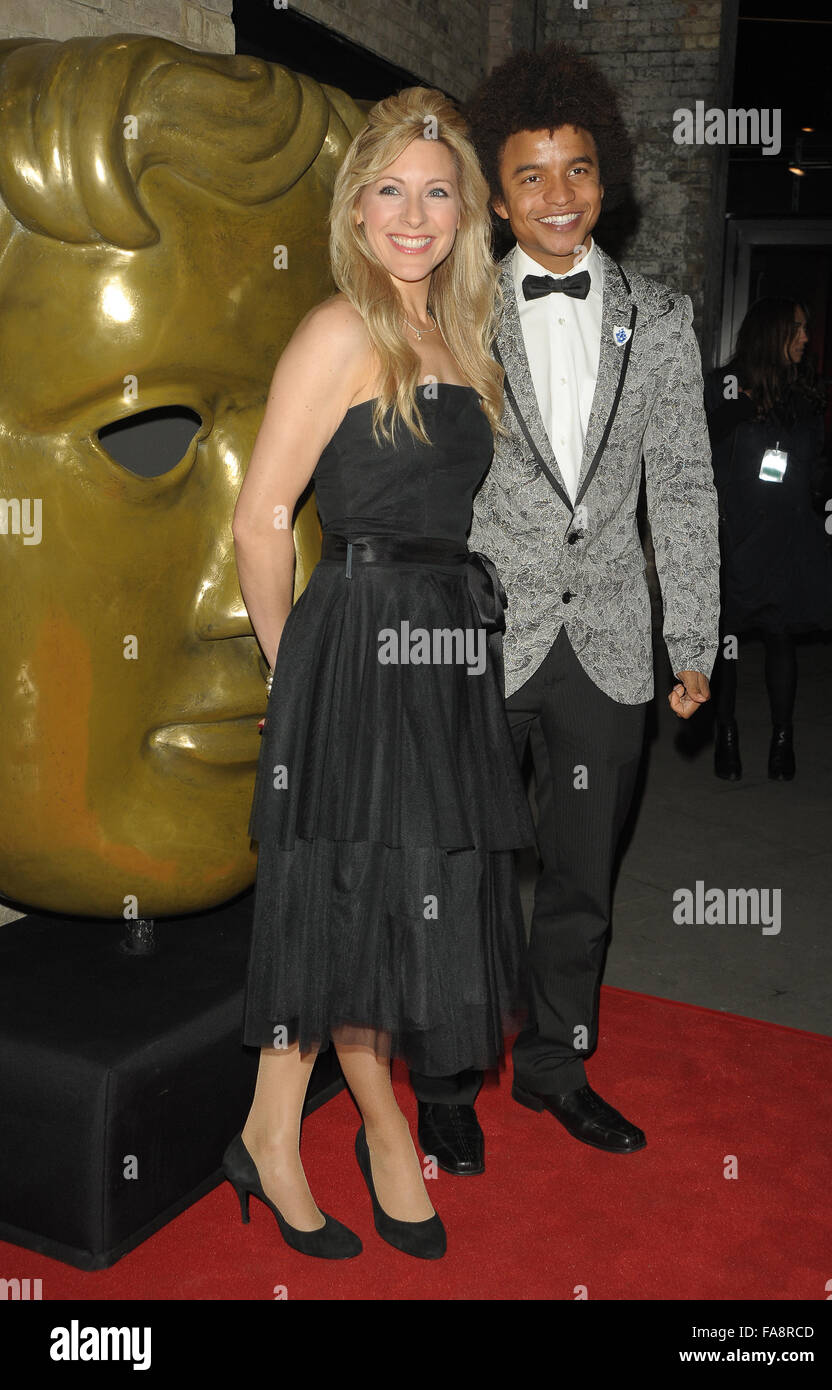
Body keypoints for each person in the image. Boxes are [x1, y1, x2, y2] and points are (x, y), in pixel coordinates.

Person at [225, 86, 534, 1261]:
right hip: (354, 642)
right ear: (357, 211)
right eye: (390, 191)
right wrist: (290, 671)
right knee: (347, 893)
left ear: (465, 212)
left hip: (443, 645)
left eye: (436, 191)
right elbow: (262, 519)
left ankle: (312, 1124)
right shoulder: (339, 330)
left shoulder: (461, 336)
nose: (414, 213)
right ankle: (350, 1132)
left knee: (407, 895)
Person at [411, 41, 721, 1175]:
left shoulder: (666, 322)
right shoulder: (453, 308)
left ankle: (554, 1066)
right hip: (483, 638)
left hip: (609, 649)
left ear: (608, 177)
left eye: (577, 170)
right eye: (531, 175)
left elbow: (683, 486)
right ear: (495, 192)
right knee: (465, 874)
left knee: (583, 882)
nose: (557, 196)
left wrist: (693, 635)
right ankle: (445, 1082)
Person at [705, 298, 832, 781]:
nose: (806, 338)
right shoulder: (726, 386)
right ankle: (727, 735)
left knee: (782, 638)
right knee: (729, 641)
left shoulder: (800, 391)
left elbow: (813, 461)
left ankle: (783, 741)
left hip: (785, 538)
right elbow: (699, 450)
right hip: (735, 535)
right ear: (772, 331)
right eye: (797, 329)